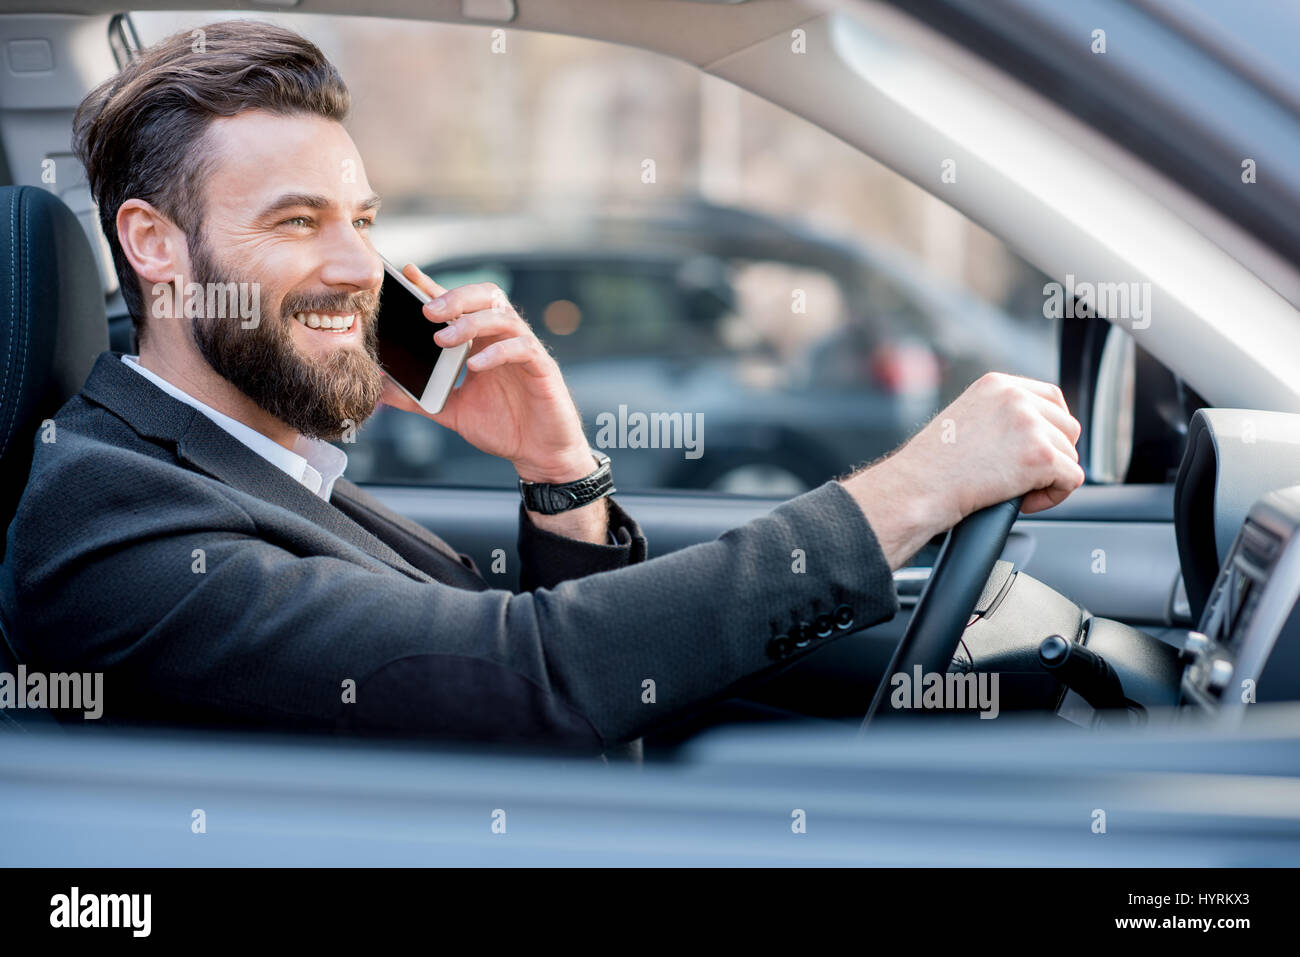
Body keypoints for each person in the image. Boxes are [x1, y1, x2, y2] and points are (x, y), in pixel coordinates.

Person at [0, 20, 1083, 753]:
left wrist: (558, 473)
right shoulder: (111, 522)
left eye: (363, 221)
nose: (356, 268)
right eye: (297, 222)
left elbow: (512, 662)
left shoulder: (268, 467)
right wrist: (919, 487)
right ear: (154, 244)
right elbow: (529, 677)